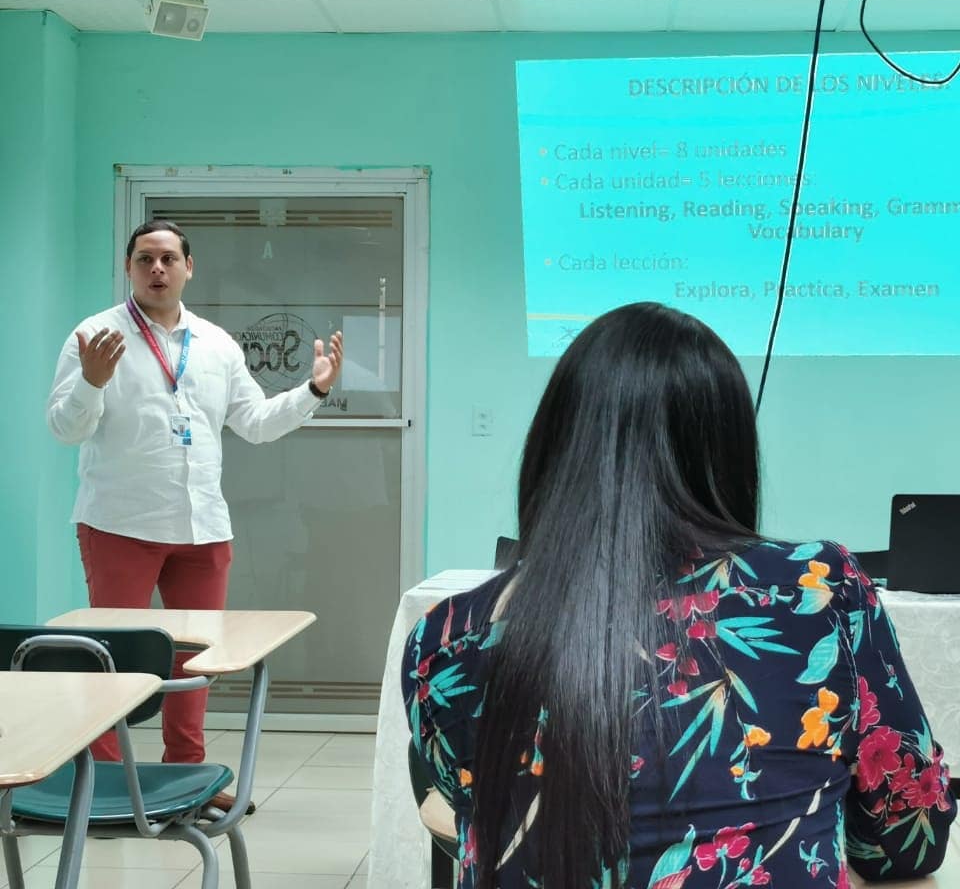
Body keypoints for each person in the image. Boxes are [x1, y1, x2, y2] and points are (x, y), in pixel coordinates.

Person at [402, 302, 956, 889]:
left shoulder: (446, 641)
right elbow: (903, 842)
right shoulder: (819, 591)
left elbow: (470, 810)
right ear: (729, 454)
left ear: (555, 450)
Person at [47, 219, 342, 812]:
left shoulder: (216, 343)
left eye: (168, 259)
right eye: (144, 260)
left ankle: (187, 777)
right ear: (128, 269)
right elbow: (65, 428)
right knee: (114, 654)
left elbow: (254, 423)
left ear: (189, 267)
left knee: (194, 659)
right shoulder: (93, 337)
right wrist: (91, 383)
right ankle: (104, 780)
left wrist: (311, 392)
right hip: (119, 524)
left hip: (202, 526)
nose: (157, 269)